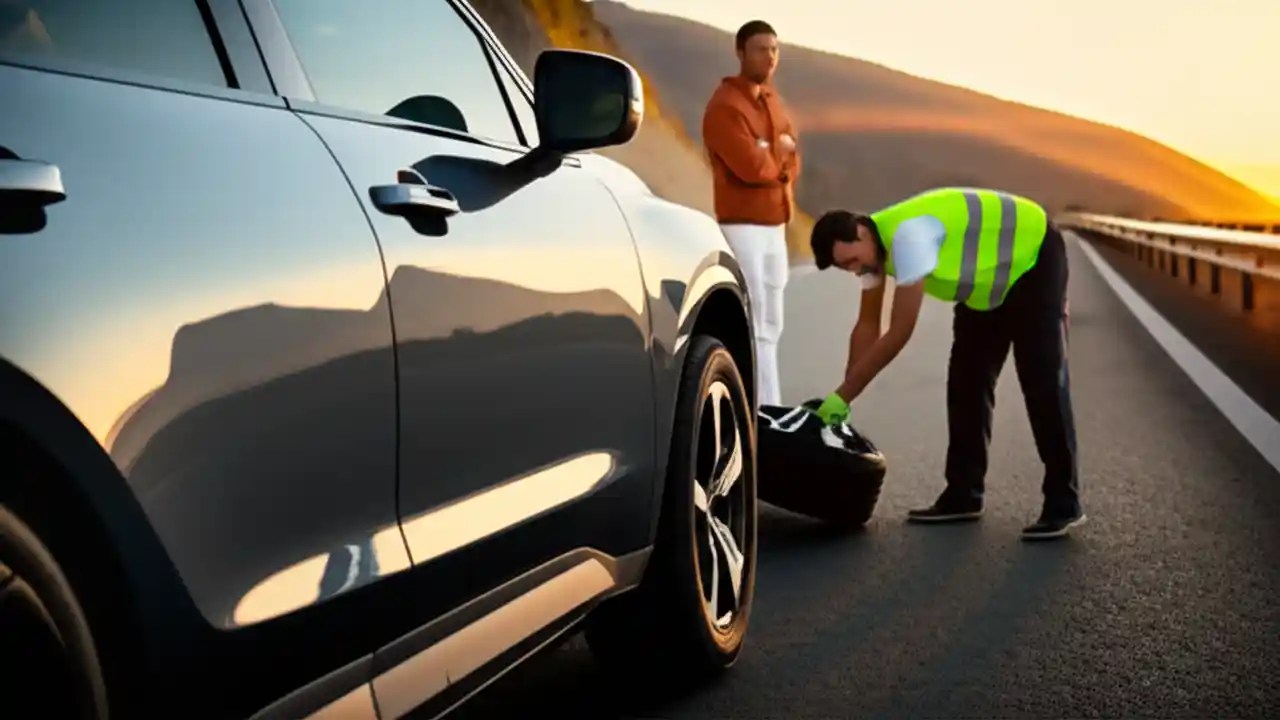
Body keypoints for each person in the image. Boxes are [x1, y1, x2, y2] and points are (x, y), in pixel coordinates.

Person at [806, 187, 1085, 540]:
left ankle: (1064, 502)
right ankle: (963, 495)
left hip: (1033, 258)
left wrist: (843, 396)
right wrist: (844, 398)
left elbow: (899, 332)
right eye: (846, 267)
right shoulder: (872, 255)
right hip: (986, 287)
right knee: (966, 386)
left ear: (861, 231)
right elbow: (867, 326)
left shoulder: (909, 239)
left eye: (852, 261)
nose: (854, 269)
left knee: (1042, 382)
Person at [702, 19, 801, 407]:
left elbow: (792, 156)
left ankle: (770, 406)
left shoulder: (773, 101)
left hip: (775, 226)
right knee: (752, 320)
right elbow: (750, 166)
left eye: (775, 49)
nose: (770, 56)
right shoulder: (725, 106)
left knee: (771, 325)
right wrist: (778, 154)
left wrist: (771, 153)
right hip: (742, 227)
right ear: (740, 52)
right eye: (761, 49)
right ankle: (756, 409)